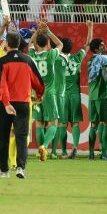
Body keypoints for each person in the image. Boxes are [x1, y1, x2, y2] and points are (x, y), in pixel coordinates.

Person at [0, 32, 45, 179]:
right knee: (22, 136)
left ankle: (4, 170)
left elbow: (2, 84)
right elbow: (39, 82)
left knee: (3, 137)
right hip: (23, 102)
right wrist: (39, 95)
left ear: (7, 44)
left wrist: (6, 103)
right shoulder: (28, 60)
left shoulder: (1, 61)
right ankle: (21, 168)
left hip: (5, 103)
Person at [27, 22, 63, 161]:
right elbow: (60, 44)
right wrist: (48, 31)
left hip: (36, 94)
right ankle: (44, 146)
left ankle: (39, 151)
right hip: (49, 93)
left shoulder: (31, 55)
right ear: (47, 43)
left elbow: (30, 43)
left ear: (36, 44)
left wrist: (37, 32)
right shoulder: (50, 55)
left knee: (39, 123)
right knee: (53, 122)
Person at [61, 21, 93, 159]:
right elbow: (88, 45)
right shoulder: (77, 57)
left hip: (63, 95)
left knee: (62, 124)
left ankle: (63, 151)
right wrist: (90, 28)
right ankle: (74, 147)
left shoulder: (58, 59)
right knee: (75, 123)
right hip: (75, 94)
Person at [87, 37, 107, 160]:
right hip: (103, 95)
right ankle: (104, 154)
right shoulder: (104, 58)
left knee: (93, 125)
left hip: (92, 96)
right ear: (96, 49)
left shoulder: (90, 60)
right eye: (101, 45)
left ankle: (91, 154)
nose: (104, 46)